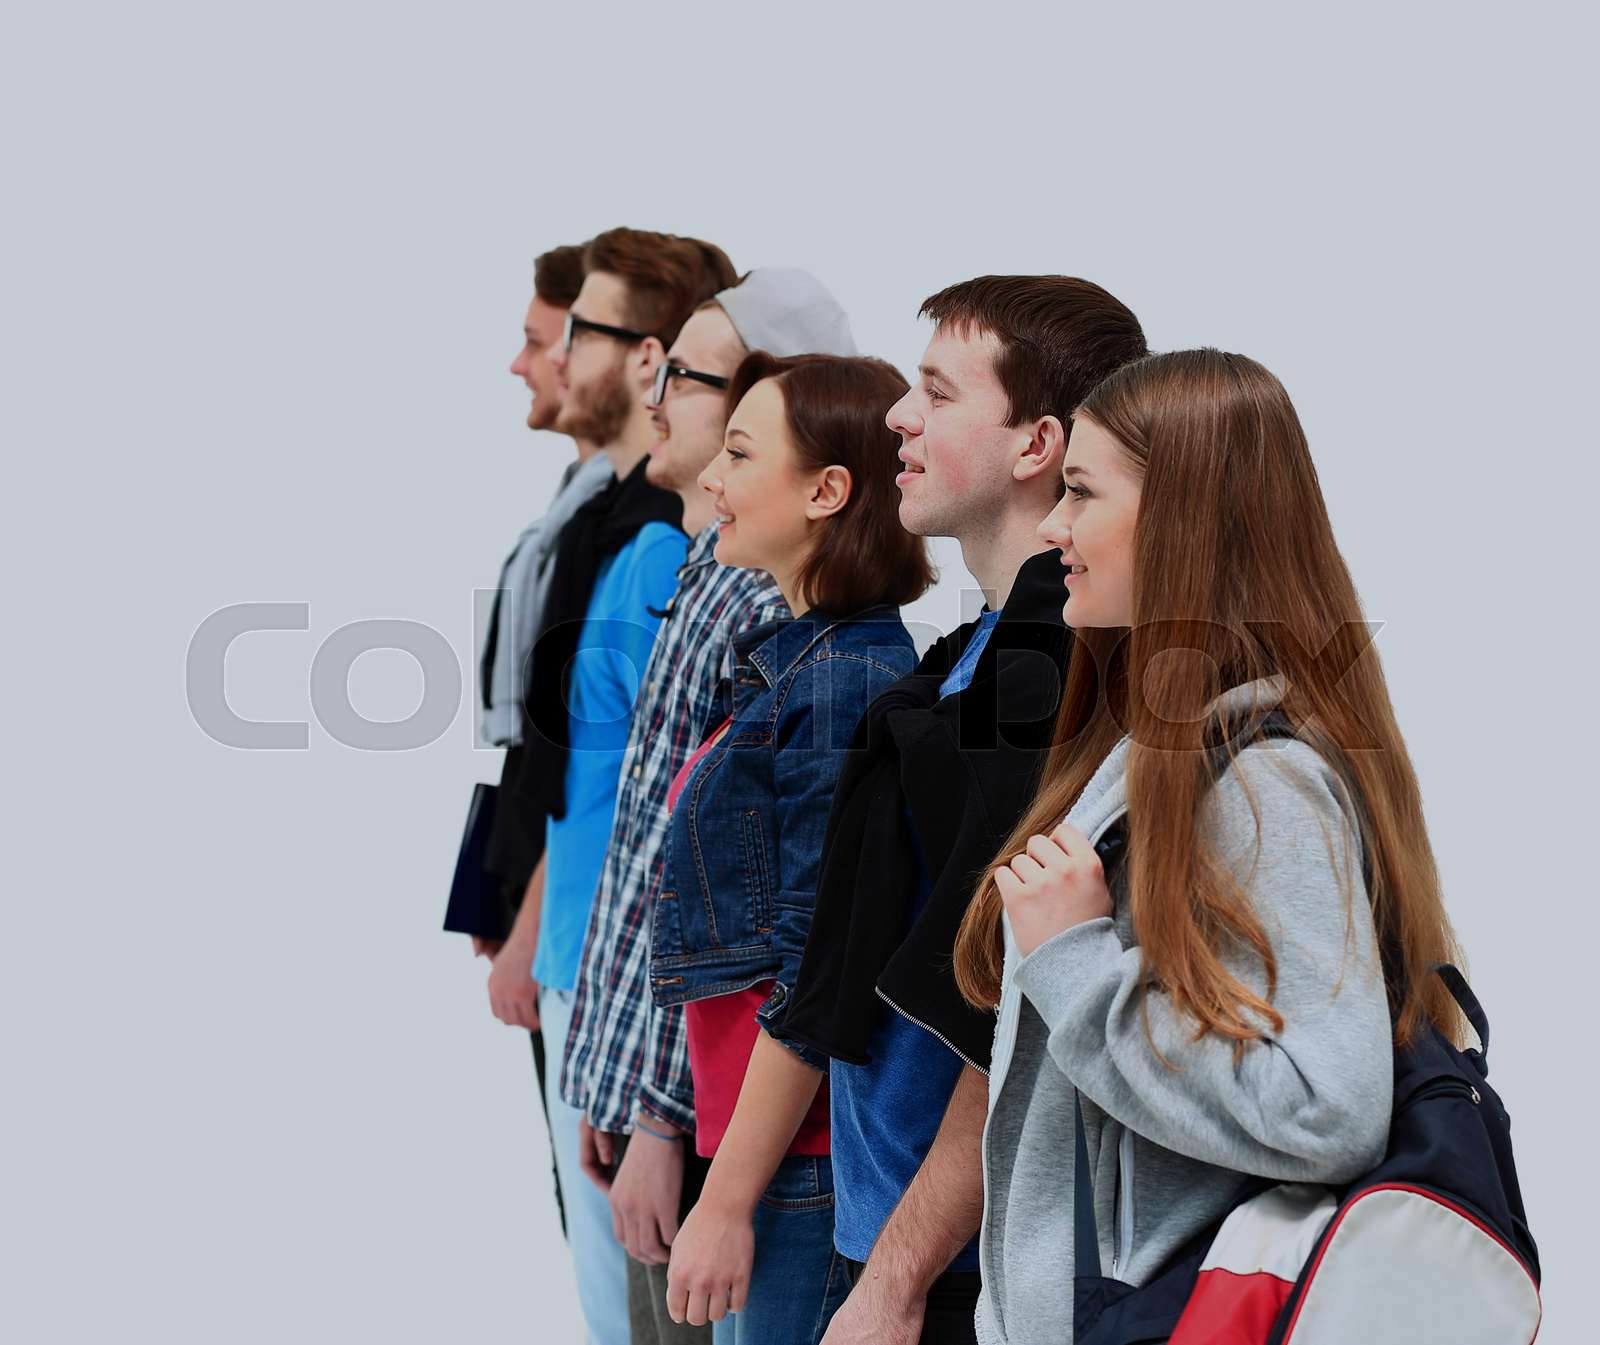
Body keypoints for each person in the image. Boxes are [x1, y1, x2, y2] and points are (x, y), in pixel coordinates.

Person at [961, 348, 1463, 1344]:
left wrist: (1074, 964)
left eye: (1079, 491)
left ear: (1185, 519)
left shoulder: (1260, 783)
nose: (1053, 525)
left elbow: (1330, 1111)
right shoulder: (1148, 750)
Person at [773, 277, 1149, 1345]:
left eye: (935, 393)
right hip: (894, 1227)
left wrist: (895, 1280)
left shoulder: (1052, 670)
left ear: (1036, 443)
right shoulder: (979, 647)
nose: (900, 412)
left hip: (951, 1266)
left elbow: (1010, 1018)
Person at [558, 269, 859, 1345]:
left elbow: (743, 921)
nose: (656, 392)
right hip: (662, 1093)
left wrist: (657, 1112)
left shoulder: (765, 612)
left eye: (686, 377)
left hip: (711, 1126)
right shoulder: (704, 570)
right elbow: (652, 848)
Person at [486, 226, 737, 1345]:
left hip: (616, 972)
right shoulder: (629, 537)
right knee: (613, 1296)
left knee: (640, 1298)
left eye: (570, 332)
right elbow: (591, 772)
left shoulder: (662, 550)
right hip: (585, 964)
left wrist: (544, 932)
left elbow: (667, 811)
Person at [656, 353, 934, 1342]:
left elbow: (816, 969)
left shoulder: (840, 687)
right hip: (765, 1157)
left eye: (738, 452)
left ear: (827, 491)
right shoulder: (802, 662)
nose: (711, 479)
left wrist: (727, 1200)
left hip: (795, 1168)